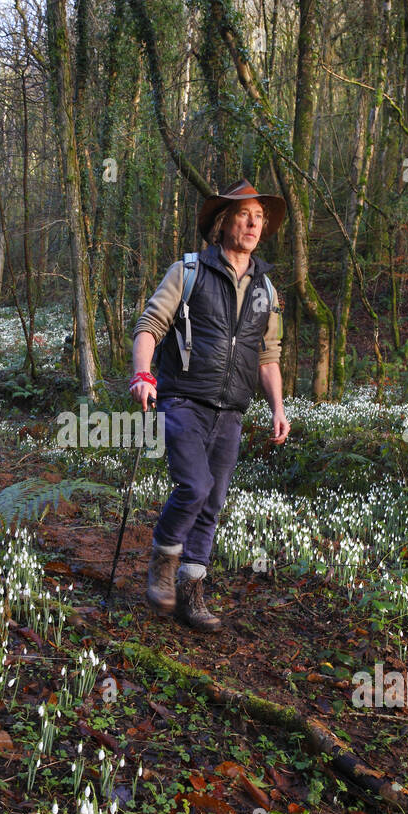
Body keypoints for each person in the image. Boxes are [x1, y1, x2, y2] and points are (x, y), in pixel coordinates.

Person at [129, 179, 291, 631]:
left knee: (214, 501)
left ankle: (191, 591)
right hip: (182, 398)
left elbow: (268, 356)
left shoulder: (267, 291)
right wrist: (143, 374)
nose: (254, 223)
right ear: (223, 223)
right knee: (195, 486)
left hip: (232, 410)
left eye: (259, 216)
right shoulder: (188, 271)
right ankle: (163, 559)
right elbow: (150, 324)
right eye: (244, 214)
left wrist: (278, 408)